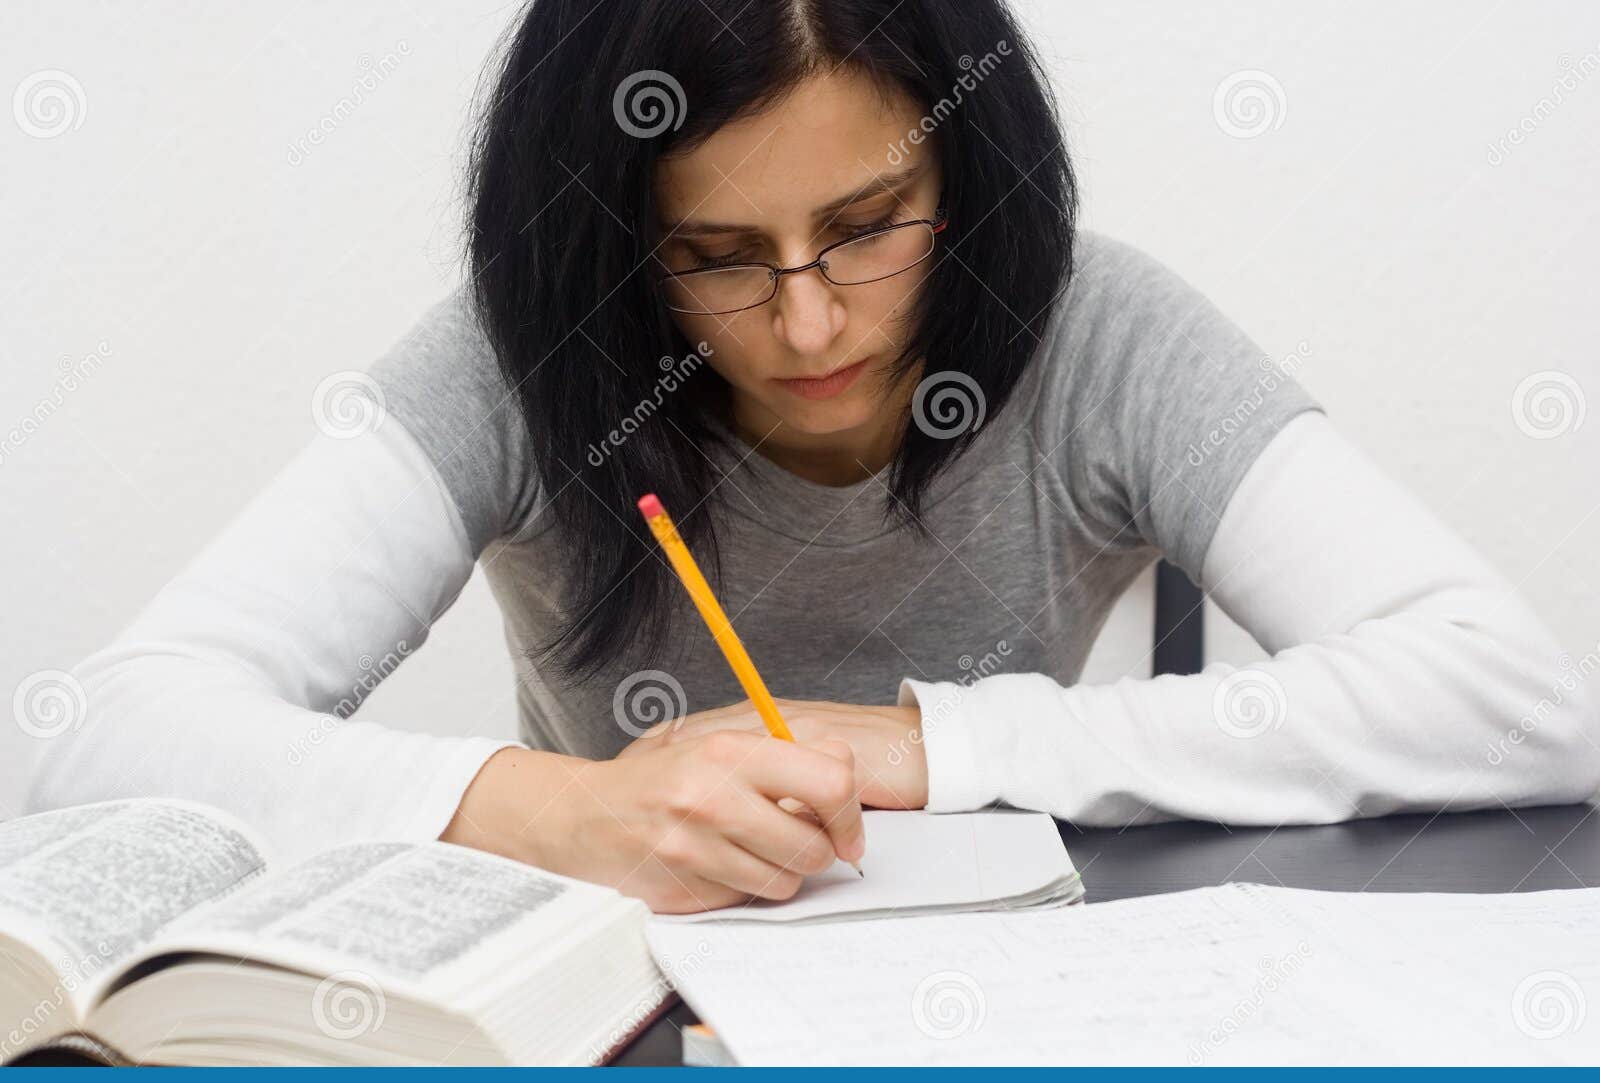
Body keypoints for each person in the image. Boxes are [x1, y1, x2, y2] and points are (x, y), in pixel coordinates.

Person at [30, 0, 1597, 913]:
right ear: (612, 246)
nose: (807, 320)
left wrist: (946, 751)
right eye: (714, 253)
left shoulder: (1097, 327)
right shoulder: (531, 354)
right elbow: (94, 734)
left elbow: (1523, 695)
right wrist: (553, 810)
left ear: (969, 172)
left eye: (864, 226)